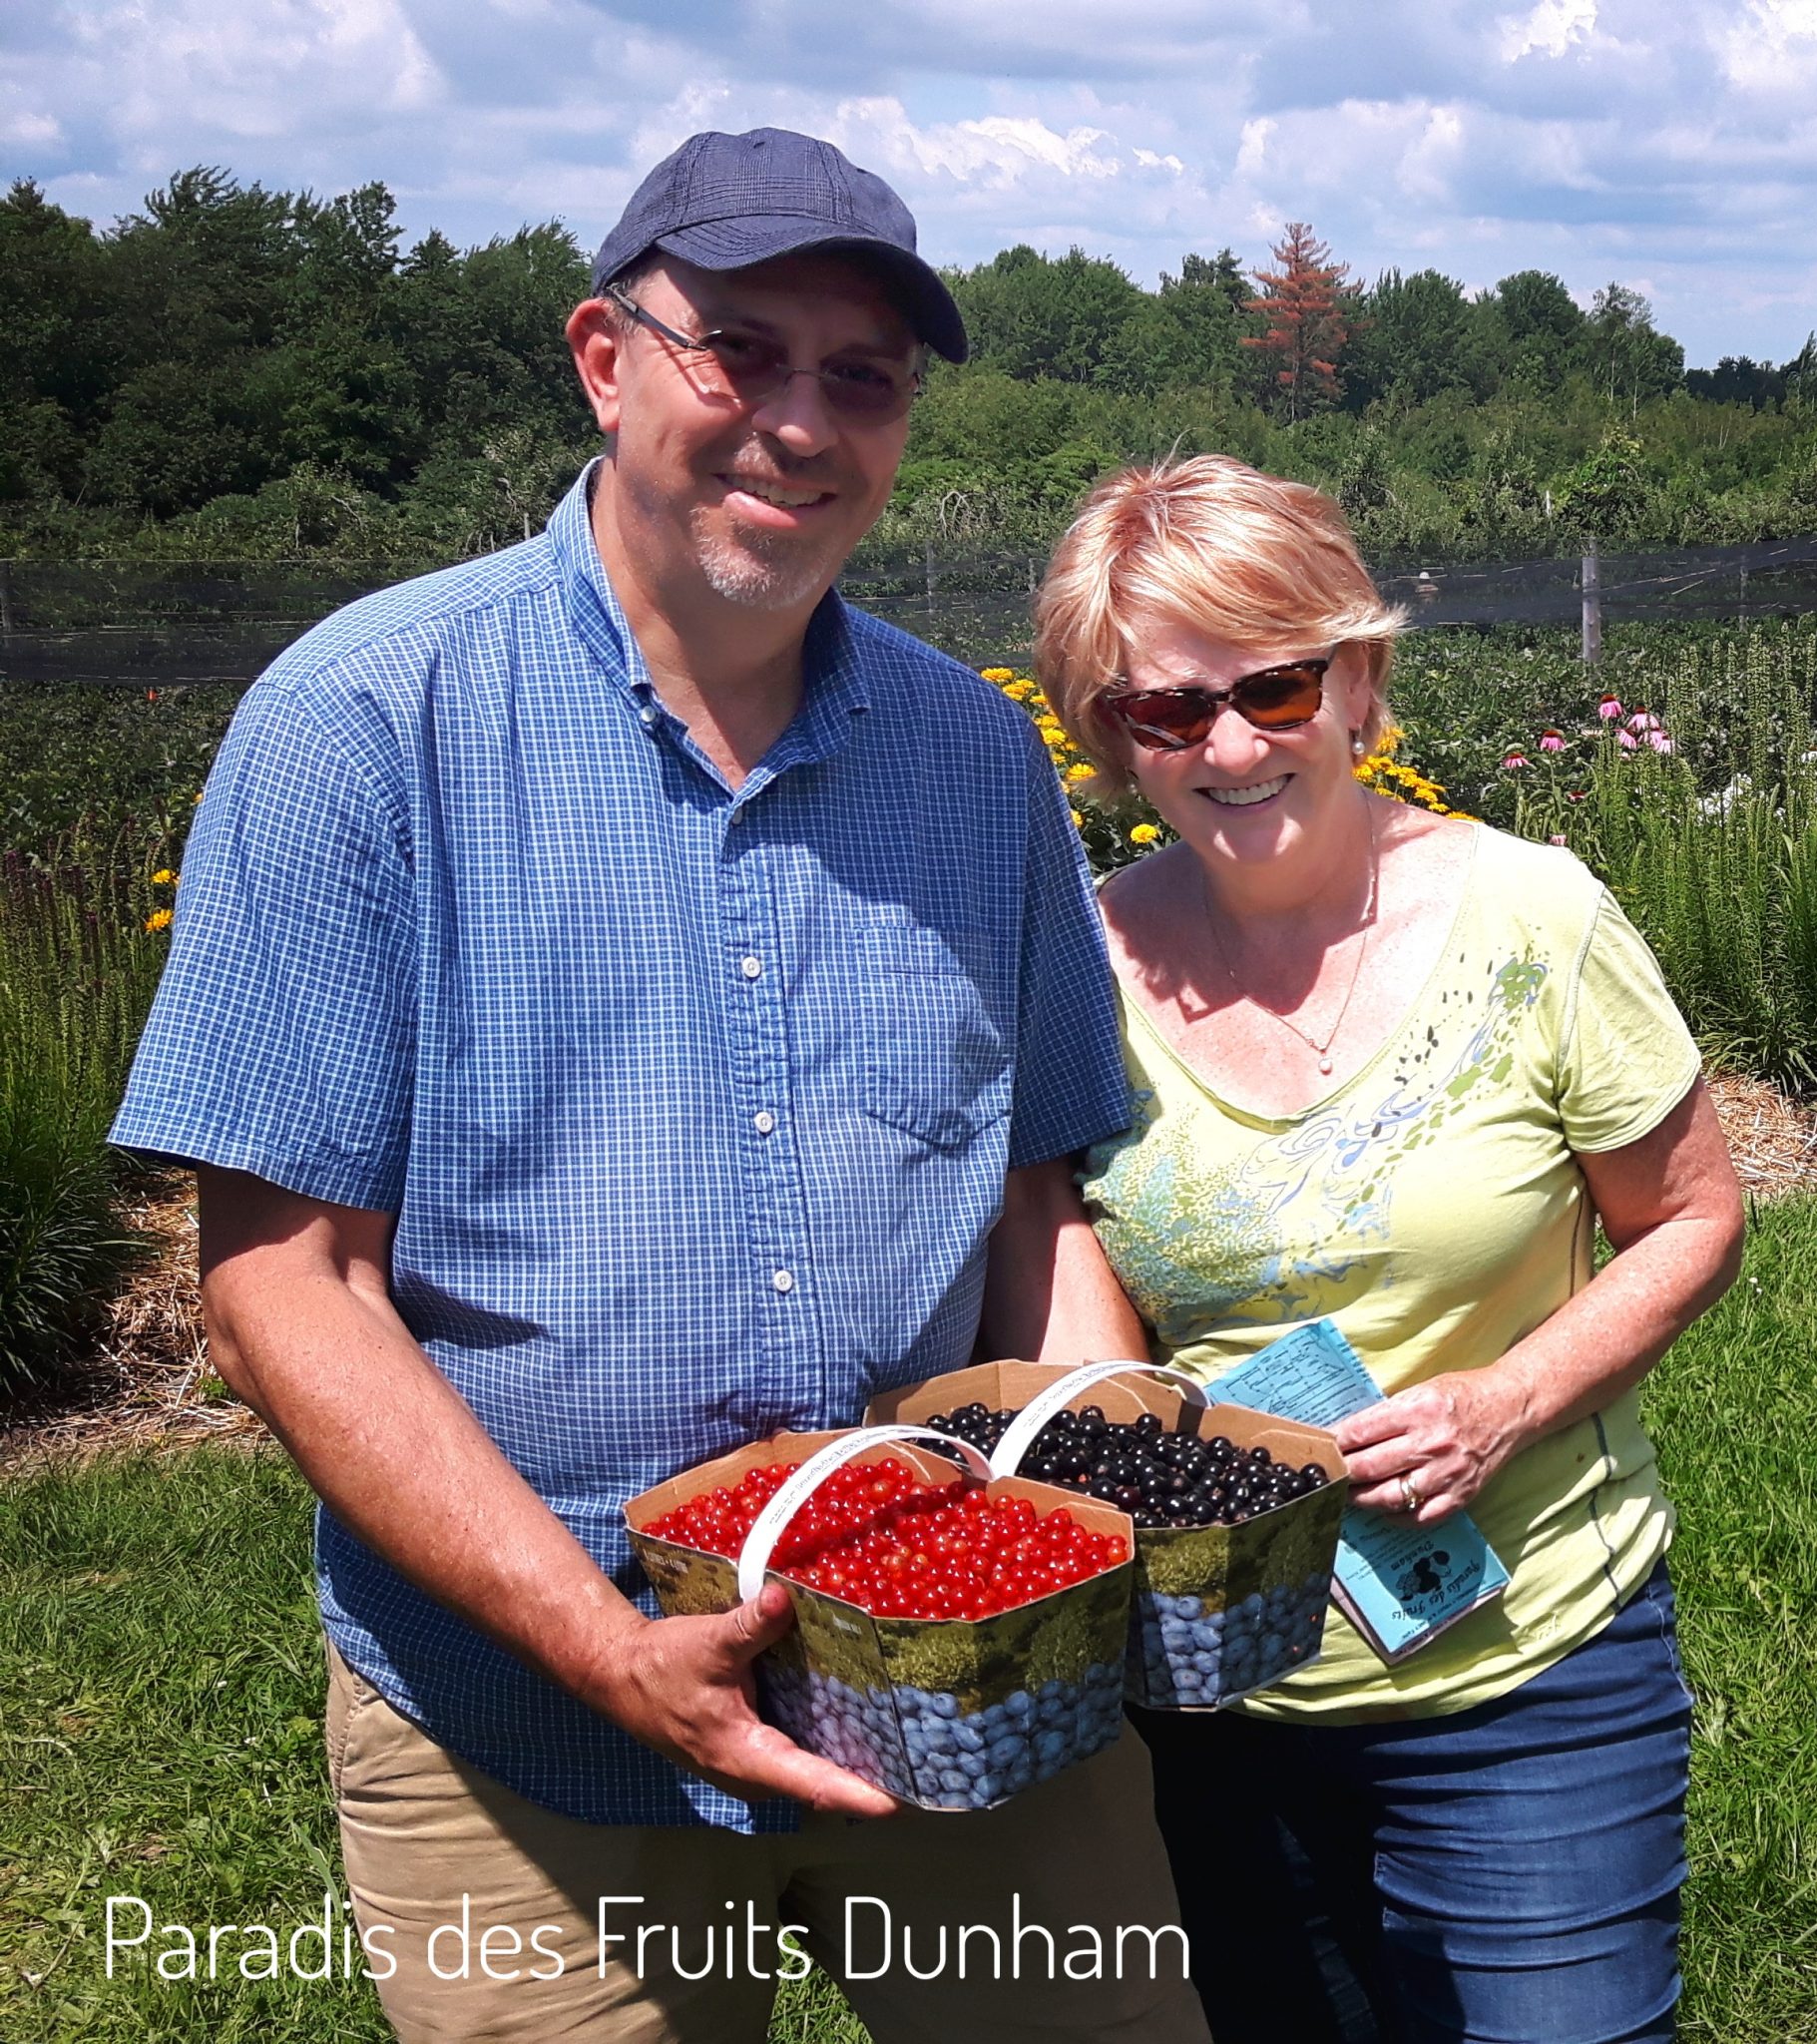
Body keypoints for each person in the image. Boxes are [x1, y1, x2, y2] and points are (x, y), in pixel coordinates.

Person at [111, 130, 1207, 2044]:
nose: (799, 421)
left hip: (963, 1674)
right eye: (740, 351)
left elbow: (1033, 1214)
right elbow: (281, 1282)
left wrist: (1114, 1512)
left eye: (858, 376)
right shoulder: (364, 725)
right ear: (604, 360)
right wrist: (607, 1644)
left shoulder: (976, 765)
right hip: (523, 1726)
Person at [1031, 454, 1746, 2044]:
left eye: (1275, 687)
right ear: (1107, 739)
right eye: (1166, 712)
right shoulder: (1083, 967)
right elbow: (1063, 1251)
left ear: (1357, 681)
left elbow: (1696, 1215)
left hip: (1529, 1667)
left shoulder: (1530, 918)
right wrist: (1122, 1459)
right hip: (1221, 1685)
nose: (1229, 745)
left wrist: (1510, 1399)